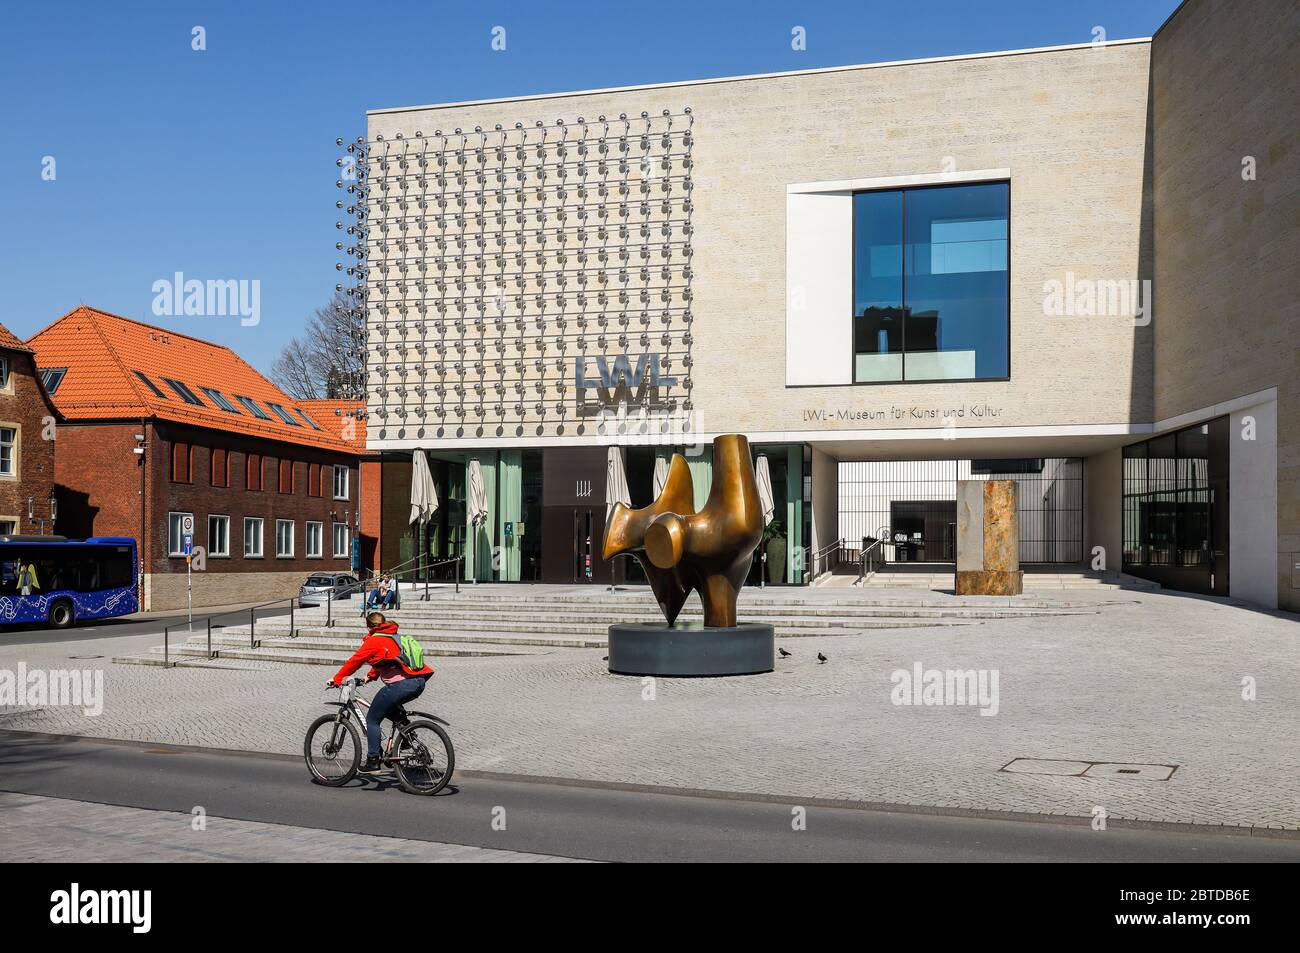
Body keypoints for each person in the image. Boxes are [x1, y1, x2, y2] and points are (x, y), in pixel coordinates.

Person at [326, 611, 433, 773]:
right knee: (392, 711)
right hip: (418, 682)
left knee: (372, 719)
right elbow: (386, 659)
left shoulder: (374, 640)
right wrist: (370, 677)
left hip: (401, 686)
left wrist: (337, 678)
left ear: (369, 626)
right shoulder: (393, 637)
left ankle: (373, 761)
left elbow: (355, 661)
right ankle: (407, 738)